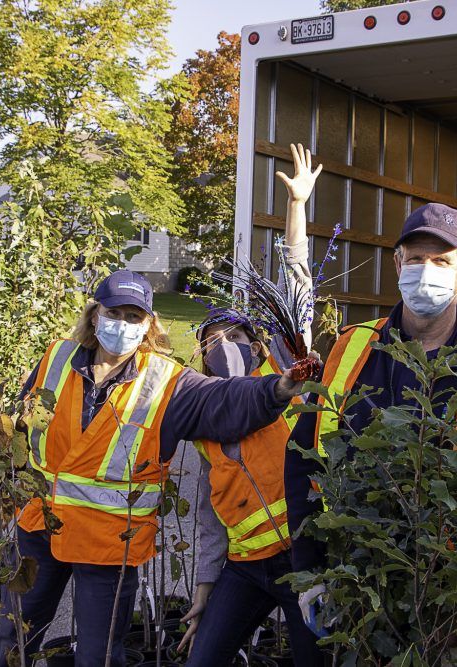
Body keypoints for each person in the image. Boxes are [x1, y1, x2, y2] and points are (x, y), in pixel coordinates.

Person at [0, 269, 310, 667]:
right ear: (94, 315)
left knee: (99, 656)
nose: (121, 324)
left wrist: (276, 389)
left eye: (133, 317)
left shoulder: (166, 381)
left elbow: (224, 399)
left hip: (107, 545)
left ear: (148, 326)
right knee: (12, 636)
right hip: (37, 529)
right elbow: (18, 431)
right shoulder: (56, 358)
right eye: (113, 313)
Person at [284, 203, 457, 627]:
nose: (426, 270)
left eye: (442, 261)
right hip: (348, 574)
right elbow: (303, 455)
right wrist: (310, 569)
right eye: (416, 259)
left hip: (444, 590)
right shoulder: (353, 345)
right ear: (397, 263)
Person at [179, 145, 324, 667]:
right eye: (211, 337)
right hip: (246, 568)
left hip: (304, 560)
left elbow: (298, 283)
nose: (224, 344)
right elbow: (209, 515)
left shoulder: (286, 372)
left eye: (235, 333)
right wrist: (202, 593)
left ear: (258, 342)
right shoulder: (203, 418)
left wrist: (297, 208)